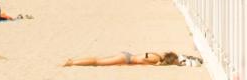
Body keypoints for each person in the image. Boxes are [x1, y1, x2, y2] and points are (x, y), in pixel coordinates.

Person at [60, 55, 188, 67]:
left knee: (98, 60)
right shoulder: (156, 59)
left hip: (126, 57)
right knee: (97, 62)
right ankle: (72, 63)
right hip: (126, 58)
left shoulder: (157, 56)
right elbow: (144, 58)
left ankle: (73, 61)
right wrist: (155, 65)